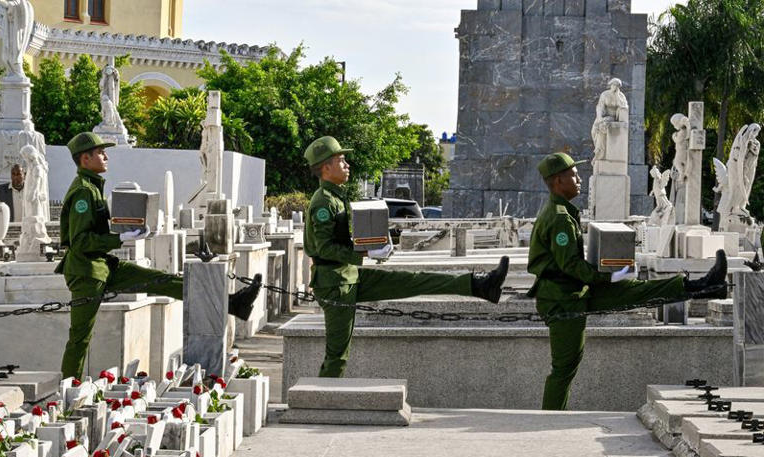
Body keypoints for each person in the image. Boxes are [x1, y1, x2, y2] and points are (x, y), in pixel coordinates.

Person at [527, 152, 728, 411]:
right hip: (564, 302)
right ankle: (549, 417)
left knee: (637, 290)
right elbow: (571, 266)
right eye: (573, 175)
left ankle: (704, 286)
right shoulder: (559, 218)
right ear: (557, 181)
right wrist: (612, 275)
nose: (579, 179)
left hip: (572, 294)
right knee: (563, 369)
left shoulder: (561, 212)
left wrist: (615, 274)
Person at [56, 132, 260, 379]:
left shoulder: (93, 188)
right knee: (80, 337)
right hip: (86, 272)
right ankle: (67, 390)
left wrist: (130, 227)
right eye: (100, 152)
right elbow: (80, 243)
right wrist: (119, 238)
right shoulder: (83, 193)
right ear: (85, 159)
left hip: (102, 266)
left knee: (161, 280)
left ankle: (233, 302)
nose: (106, 156)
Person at [303, 136, 509, 377]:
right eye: (341, 160)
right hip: (334, 284)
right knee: (337, 355)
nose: (347, 164)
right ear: (326, 167)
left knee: (413, 279)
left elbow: (342, 241)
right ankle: (319, 406)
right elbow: (325, 247)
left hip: (347, 276)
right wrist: (365, 253)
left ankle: (479, 285)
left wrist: (379, 239)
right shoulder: (324, 202)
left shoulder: (335, 197)